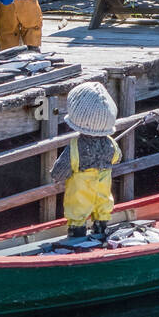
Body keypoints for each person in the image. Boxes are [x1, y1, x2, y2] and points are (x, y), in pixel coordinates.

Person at [51, 82, 121, 239]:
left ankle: (77, 234)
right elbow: (117, 158)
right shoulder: (110, 143)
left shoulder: (75, 147)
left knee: (78, 210)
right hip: (103, 188)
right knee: (103, 206)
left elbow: (60, 170)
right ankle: (101, 228)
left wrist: (55, 176)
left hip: (80, 190)